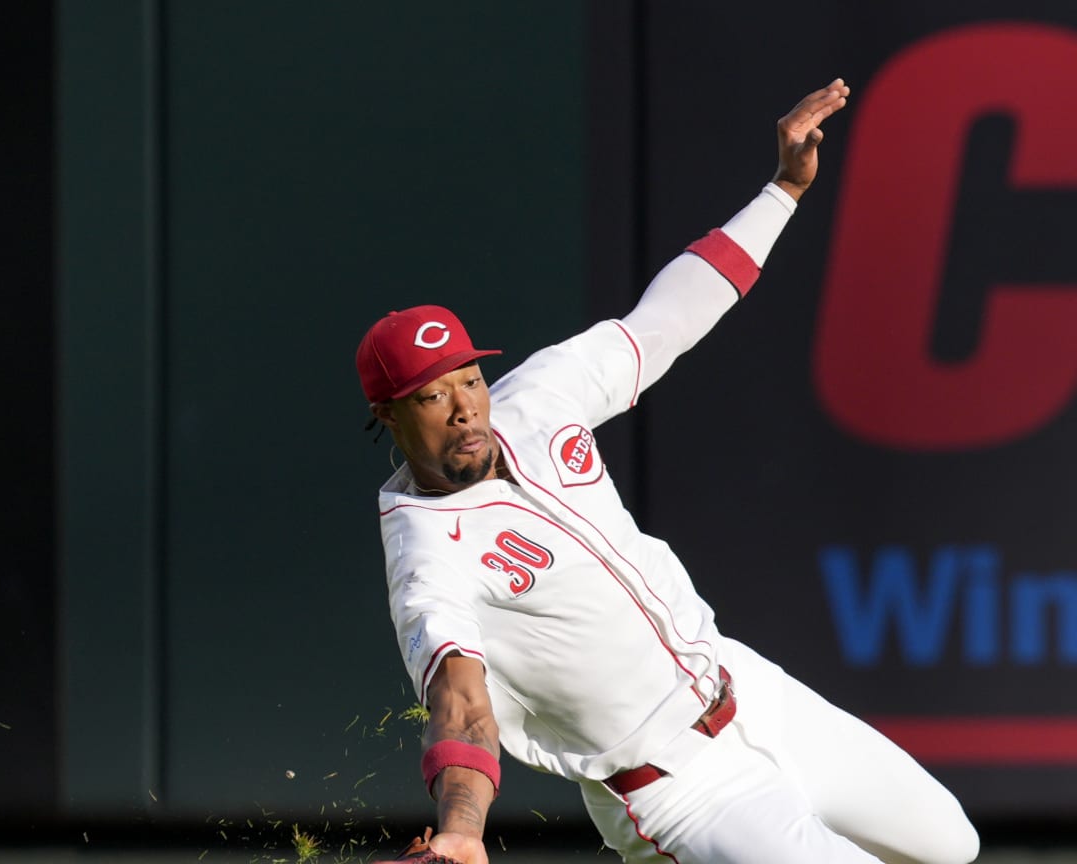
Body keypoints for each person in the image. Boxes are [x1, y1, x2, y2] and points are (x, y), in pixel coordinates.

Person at [357, 79, 979, 864]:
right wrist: (460, 830)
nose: (464, 407)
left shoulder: (537, 399)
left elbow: (667, 319)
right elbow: (460, 702)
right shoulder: (425, 558)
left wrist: (783, 189)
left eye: (468, 379)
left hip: (750, 693)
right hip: (677, 793)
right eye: (431, 395)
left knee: (952, 844)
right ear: (389, 417)